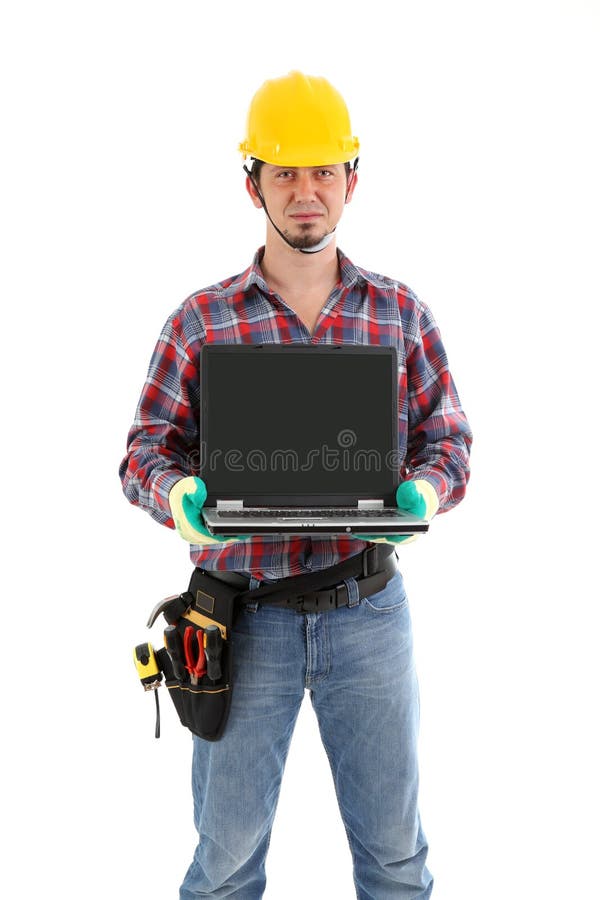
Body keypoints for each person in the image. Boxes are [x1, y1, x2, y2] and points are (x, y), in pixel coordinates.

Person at [120, 70, 472, 899]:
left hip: (368, 613)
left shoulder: (400, 313)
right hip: (242, 620)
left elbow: (449, 443)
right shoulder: (200, 321)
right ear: (253, 185)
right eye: (285, 172)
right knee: (225, 863)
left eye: (323, 171)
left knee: (396, 859)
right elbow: (143, 453)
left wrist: (423, 494)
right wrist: (178, 497)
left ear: (353, 181)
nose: (306, 191)